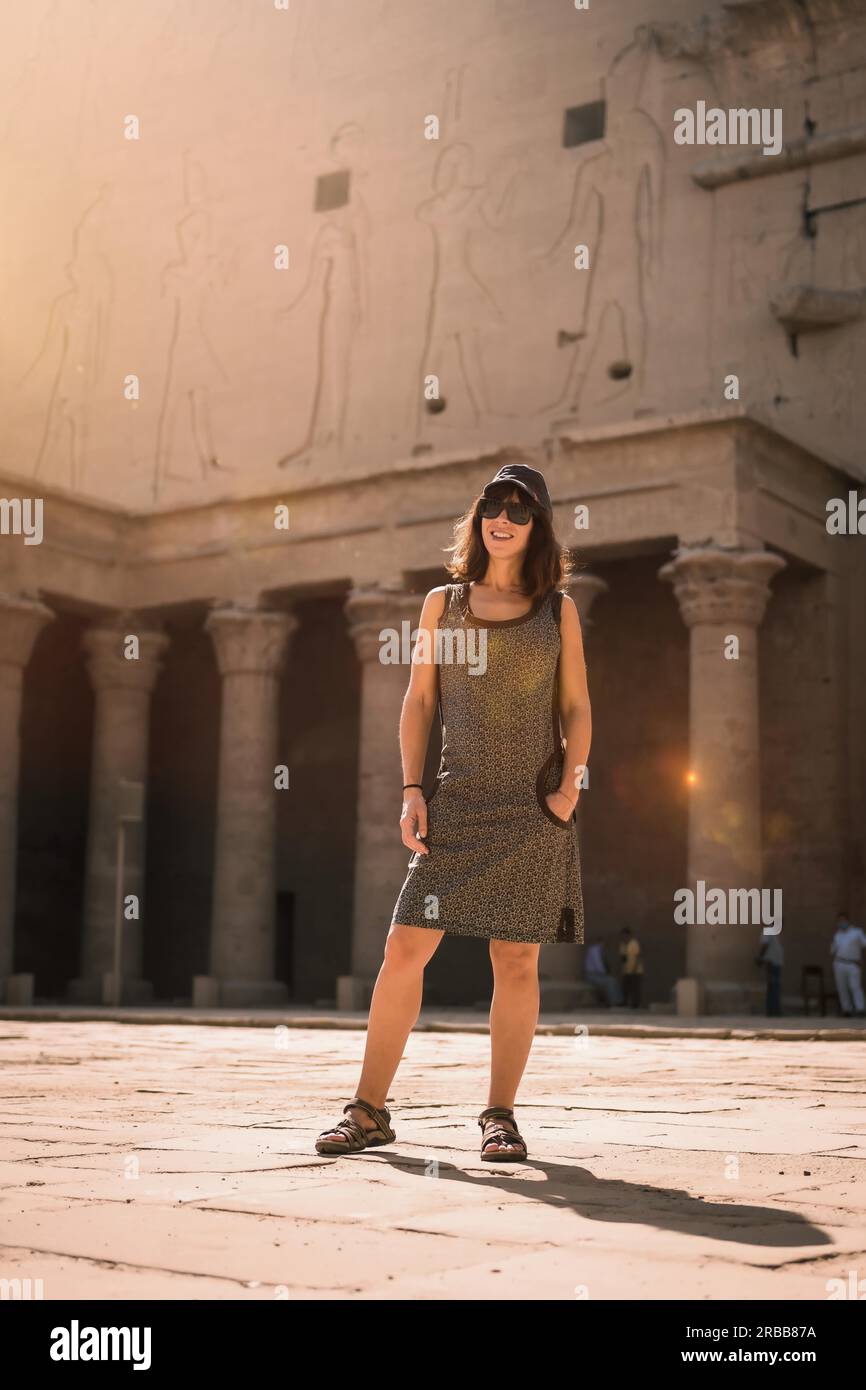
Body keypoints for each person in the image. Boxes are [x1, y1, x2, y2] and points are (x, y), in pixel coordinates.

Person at [315, 463, 591, 1162]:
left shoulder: (559, 610)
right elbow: (419, 701)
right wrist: (413, 789)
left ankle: (500, 1116)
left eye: (520, 509)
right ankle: (368, 1110)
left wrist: (566, 792)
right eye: (493, 505)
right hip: (458, 798)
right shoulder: (444, 603)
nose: (503, 517)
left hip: (533, 803)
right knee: (405, 947)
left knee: (517, 960)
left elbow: (577, 707)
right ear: (479, 518)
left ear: (538, 527)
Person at [830, 911, 866, 1018]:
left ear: (848, 920)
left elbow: (864, 944)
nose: (841, 922)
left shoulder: (857, 932)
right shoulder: (837, 935)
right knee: (842, 987)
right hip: (839, 963)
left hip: (853, 963)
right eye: (839, 920)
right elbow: (833, 950)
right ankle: (846, 1010)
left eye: (843, 920)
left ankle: (860, 1009)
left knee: (855, 986)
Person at [584, 936, 622, 1007]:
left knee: (613, 980)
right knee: (610, 981)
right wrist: (606, 974)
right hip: (592, 975)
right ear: (601, 942)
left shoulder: (598, 950)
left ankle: (619, 1001)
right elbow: (598, 965)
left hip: (597, 975)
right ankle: (614, 1002)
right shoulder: (594, 950)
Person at [755, 931, 784, 1016]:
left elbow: (765, 945)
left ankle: (773, 1011)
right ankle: (773, 1011)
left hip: (772, 962)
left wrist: (760, 957)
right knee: (773, 986)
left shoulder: (768, 931)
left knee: (772, 986)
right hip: (775, 962)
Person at [619, 928, 643, 1008]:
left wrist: (635, 968)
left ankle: (636, 1004)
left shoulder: (634, 943)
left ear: (628, 935)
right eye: (622, 936)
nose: (624, 937)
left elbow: (638, 956)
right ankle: (625, 1002)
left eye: (625, 935)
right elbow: (623, 958)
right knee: (625, 987)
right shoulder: (622, 944)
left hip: (636, 970)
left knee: (635, 987)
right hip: (626, 970)